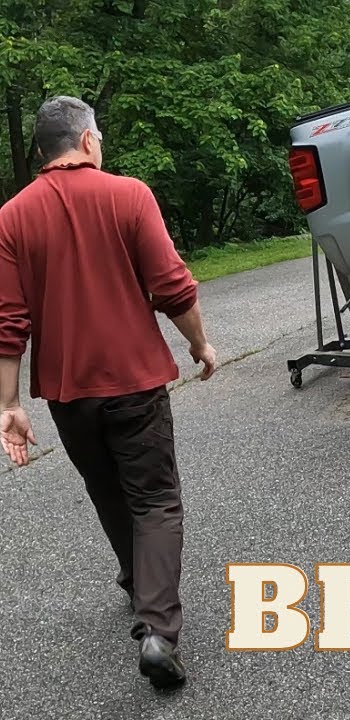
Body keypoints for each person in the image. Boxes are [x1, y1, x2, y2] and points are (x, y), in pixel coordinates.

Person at [0, 96, 217, 689]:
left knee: (107, 488)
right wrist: (200, 343)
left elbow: (9, 320)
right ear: (88, 140)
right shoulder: (129, 195)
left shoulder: (12, 217)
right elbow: (172, 285)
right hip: (134, 380)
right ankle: (159, 631)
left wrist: (9, 404)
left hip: (67, 391)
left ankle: (136, 581)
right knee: (155, 499)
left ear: (41, 150)